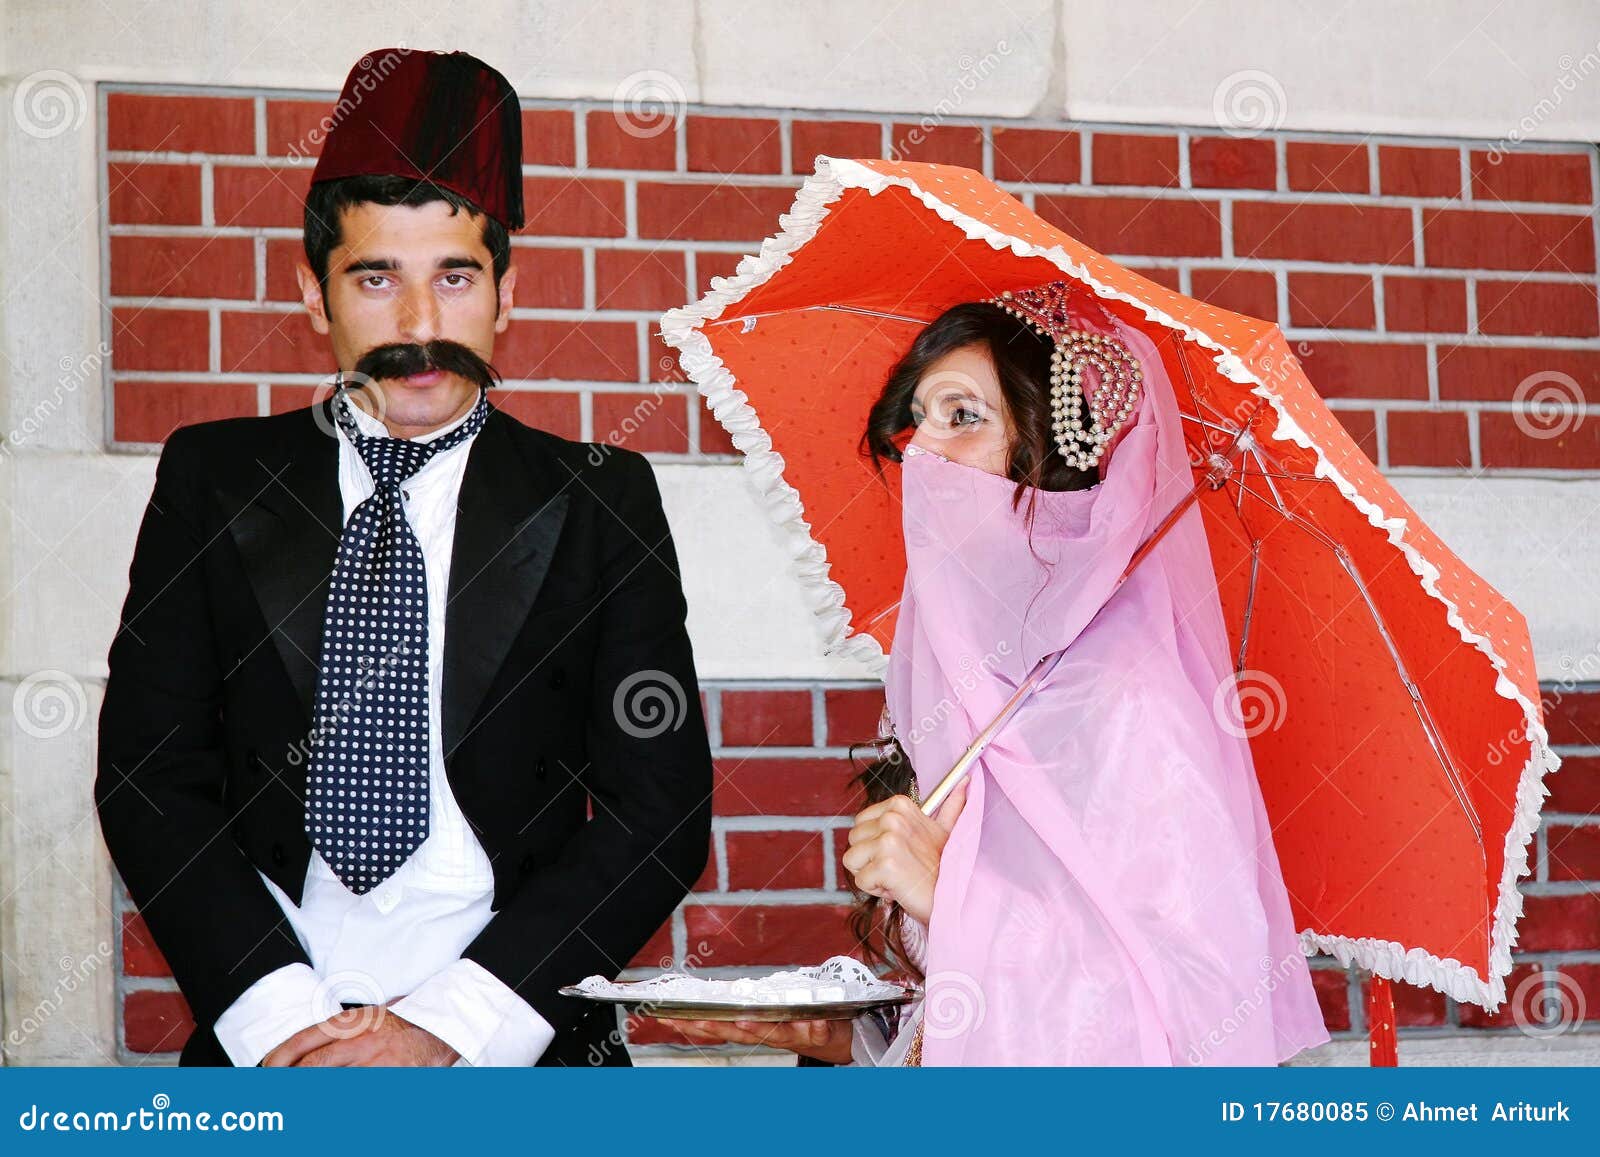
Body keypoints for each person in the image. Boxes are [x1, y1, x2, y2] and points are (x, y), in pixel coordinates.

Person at [94, 48, 713, 1068]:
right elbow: (150, 776)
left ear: (505, 294)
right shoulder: (213, 477)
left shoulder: (601, 496)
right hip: (272, 1028)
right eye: (376, 276)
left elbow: (659, 808)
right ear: (313, 293)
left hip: (511, 1032)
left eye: (455, 277)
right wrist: (280, 1019)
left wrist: (453, 1028)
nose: (420, 326)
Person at [659, 281, 1332, 1065]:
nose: (922, 451)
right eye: (919, 420)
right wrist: (853, 1037)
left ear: (1047, 449)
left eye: (964, 417)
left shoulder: (1128, 695)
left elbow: (1191, 1027)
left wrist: (947, 898)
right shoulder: (962, 681)